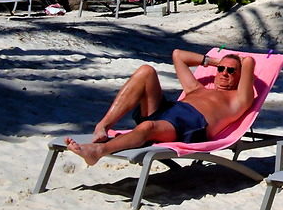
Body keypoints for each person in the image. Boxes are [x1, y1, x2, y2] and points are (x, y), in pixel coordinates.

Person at [64, 49, 255, 166]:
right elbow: (178, 55)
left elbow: (249, 62)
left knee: (147, 128)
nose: (224, 73)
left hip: (189, 124)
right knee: (146, 71)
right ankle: (103, 125)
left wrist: (239, 61)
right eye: (221, 69)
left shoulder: (237, 99)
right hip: (167, 112)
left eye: (231, 71)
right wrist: (215, 61)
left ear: (240, 75)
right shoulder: (196, 88)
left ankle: (98, 152)